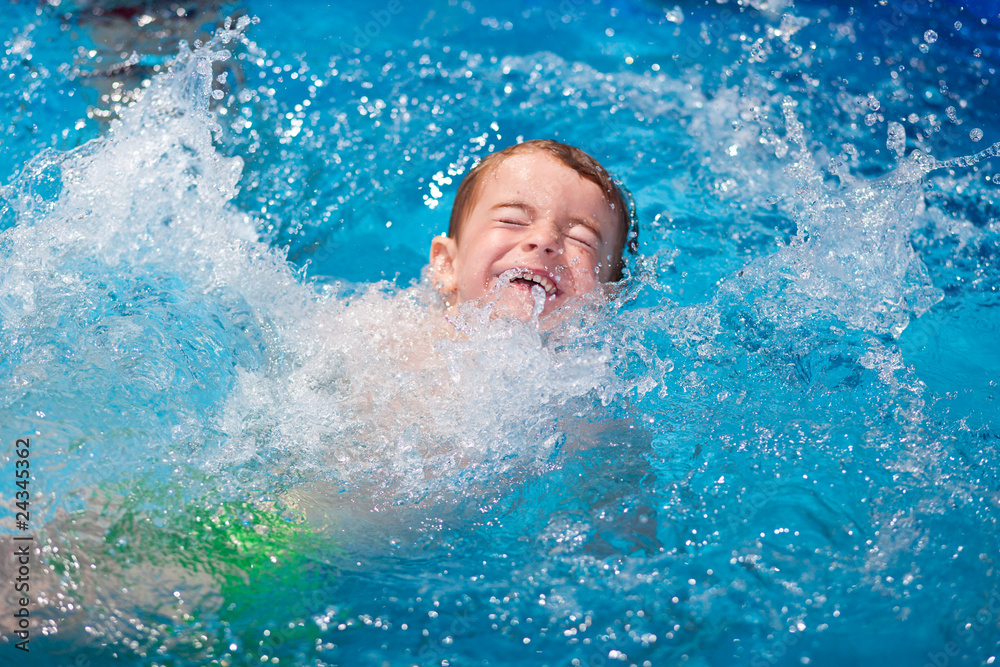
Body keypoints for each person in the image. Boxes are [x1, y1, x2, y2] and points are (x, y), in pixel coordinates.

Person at [428, 139, 638, 323]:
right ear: (447, 264)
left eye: (580, 239)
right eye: (512, 221)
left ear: (610, 297)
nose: (545, 239)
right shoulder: (402, 338)